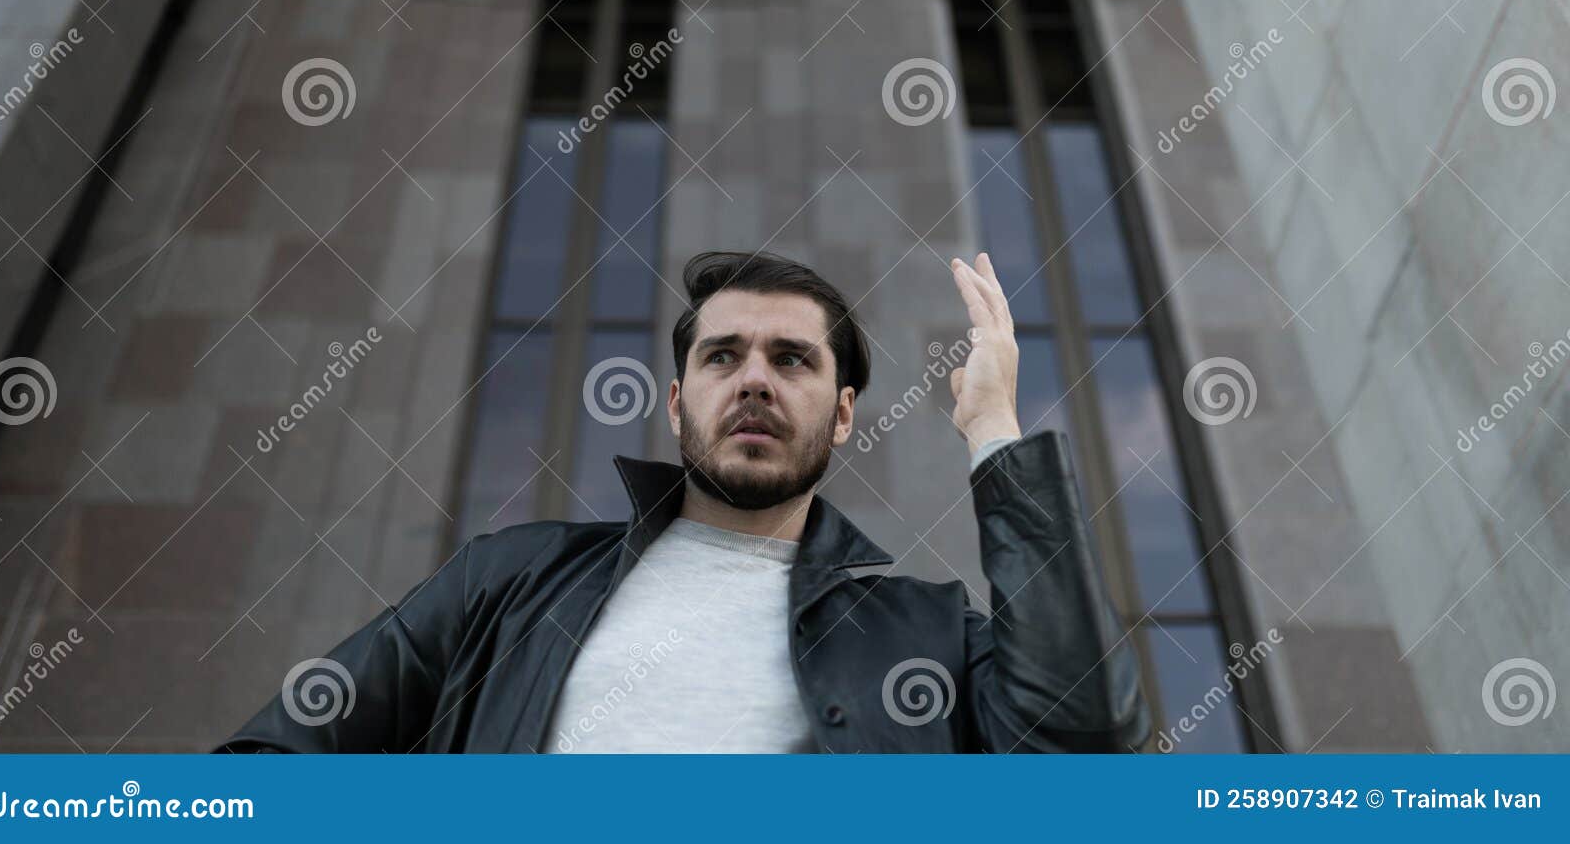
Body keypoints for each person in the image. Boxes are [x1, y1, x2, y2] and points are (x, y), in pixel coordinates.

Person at [216, 249, 1149, 752]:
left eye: (792, 360)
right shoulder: (513, 579)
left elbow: (1086, 737)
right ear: (675, 403)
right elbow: (285, 753)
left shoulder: (926, 633)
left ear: (846, 413)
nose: (754, 380)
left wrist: (993, 429)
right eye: (722, 355)